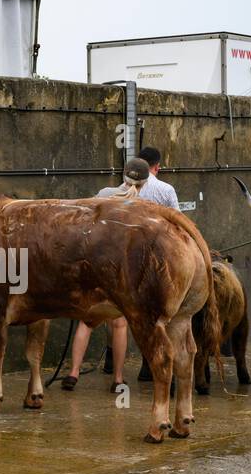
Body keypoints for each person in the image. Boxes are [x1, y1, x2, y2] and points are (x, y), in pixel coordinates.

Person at [62, 150, 179, 391]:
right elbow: (176, 226)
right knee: (125, 322)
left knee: (88, 320)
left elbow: (85, 223)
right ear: (150, 174)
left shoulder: (105, 195)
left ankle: (73, 373)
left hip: (100, 266)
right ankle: (120, 377)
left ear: (123, 174)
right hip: (138, 269)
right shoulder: (163, 192)